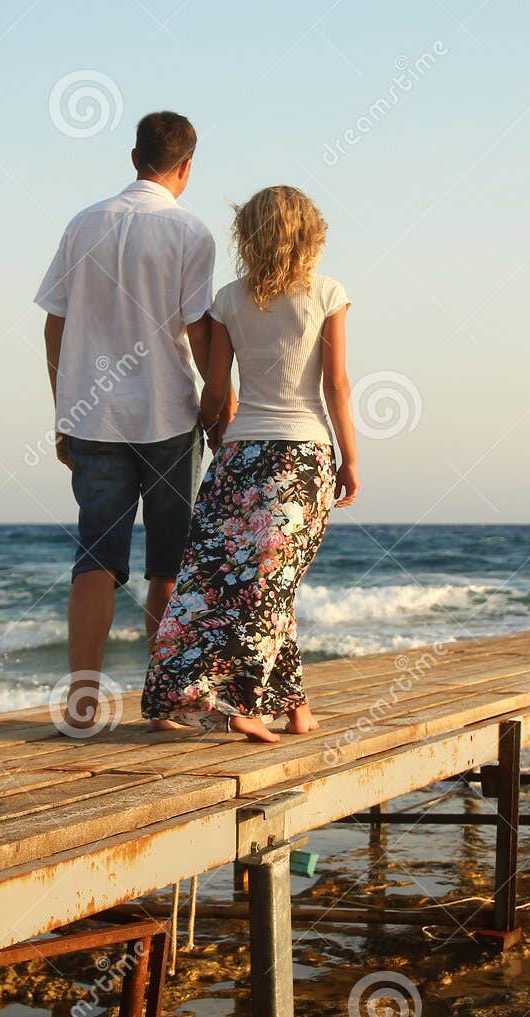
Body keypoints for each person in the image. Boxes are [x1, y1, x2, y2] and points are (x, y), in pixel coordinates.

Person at [141, 185, 359, 743]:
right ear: (310, 234)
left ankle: (295, 708)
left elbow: (215, 391)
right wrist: (350, 458)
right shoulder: (326, 293)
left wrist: (217, 437)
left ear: (249, 235)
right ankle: (243, 705)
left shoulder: (230, 300)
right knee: (270, 586)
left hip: (240, 456)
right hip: (304, 456)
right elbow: (335, 385)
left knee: (238, 584)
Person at [34, 111, 217, 733]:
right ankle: (163, 704)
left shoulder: (84, 223)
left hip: (91, 412)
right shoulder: (189, 231)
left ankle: (81, 701)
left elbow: (55, 322)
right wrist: (223, 393)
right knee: (169, 563)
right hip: (166, 411)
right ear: (186, 167)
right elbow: (197, 326)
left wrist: (63, 408)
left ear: (132, 156)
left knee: (95, 558)